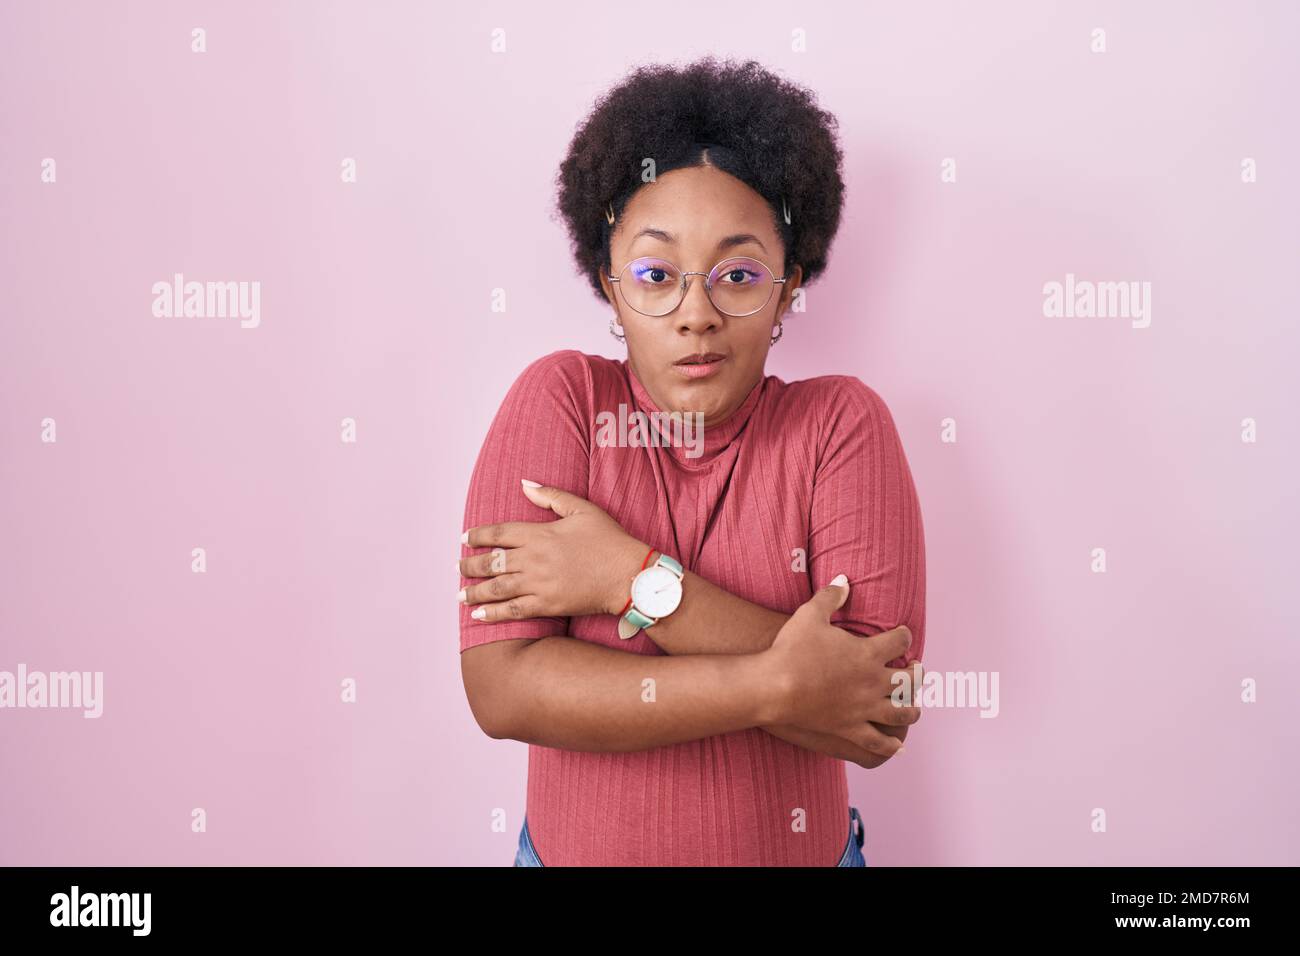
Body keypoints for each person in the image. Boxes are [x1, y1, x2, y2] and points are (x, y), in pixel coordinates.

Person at [456, 56, 926, 866]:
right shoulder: (561, 402)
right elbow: (503, 691)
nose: (696, 314)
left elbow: (875, 708)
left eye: (738, 275)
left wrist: (629, 579)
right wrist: (776, 684)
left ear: (788, 288)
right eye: (656, 275)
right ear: (609, 285)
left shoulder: (842, 425)